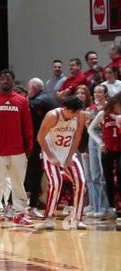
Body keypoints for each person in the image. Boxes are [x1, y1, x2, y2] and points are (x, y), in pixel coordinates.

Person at [0, 69, 34, 226]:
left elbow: (27, 126)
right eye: (2, 78)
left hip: (17, 151)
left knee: (18, 184)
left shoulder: (22, 101)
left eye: (8, 79)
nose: (5, 81)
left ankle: (20, 214)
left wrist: (28, 146)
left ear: (13, 81)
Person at [37, 94, 88, 231]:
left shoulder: (80, 115)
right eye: (73, 112)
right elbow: (40, 137)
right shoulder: (52, 115)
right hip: (51, 153)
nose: (75, 115)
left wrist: (70, 156)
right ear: (65, 108)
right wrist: (51, 156)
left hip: (67, 152)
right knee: (55, 183)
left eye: (77, 112)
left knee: (81, 182)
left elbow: (77, 137)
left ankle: (77, 219)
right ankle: (49, 217)